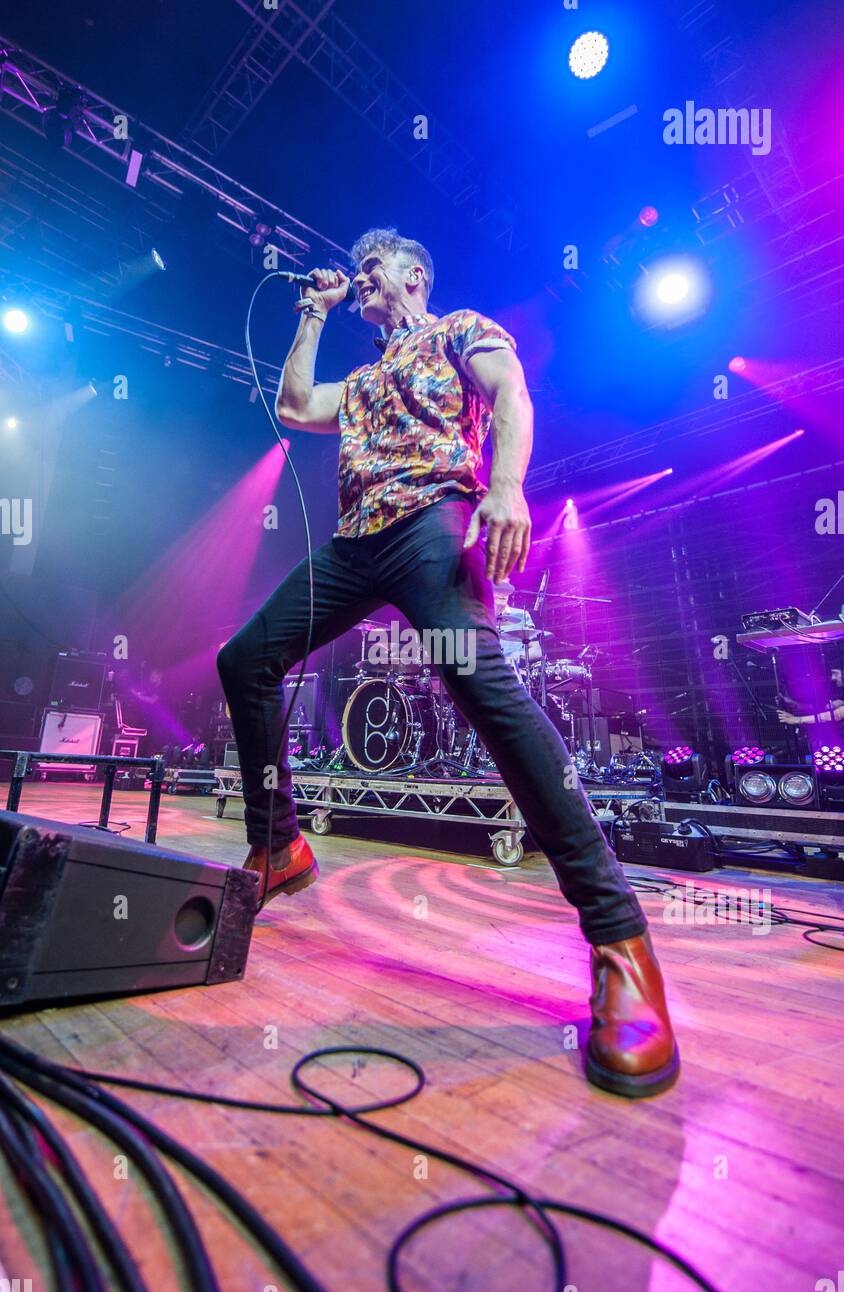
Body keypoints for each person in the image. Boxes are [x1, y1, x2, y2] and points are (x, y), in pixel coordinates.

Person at [217, 228, 678, 1098]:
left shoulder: (457, 327)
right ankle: (277, 845)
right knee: (244, 660)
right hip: (357, 545)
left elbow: (513, 393)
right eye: (354, 272)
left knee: (482, 686)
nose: (360, 278)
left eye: (372, 266)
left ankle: (621, 943)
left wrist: (505, 488)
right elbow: (290, 406)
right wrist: (311, 316)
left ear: (415, 275)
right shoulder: (356, 383)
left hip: (436, 523)